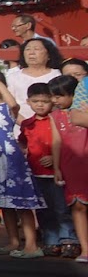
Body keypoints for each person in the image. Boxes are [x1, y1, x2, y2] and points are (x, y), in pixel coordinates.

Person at [0, 70, 42, 255]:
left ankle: (31, 244)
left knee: (22, 202)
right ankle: (13, 241)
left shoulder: (8, 107)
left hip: (10, 156)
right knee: (4, 204)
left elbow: (13, 104)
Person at [18, 83, 73, 257]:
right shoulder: (27, 124)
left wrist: (53, 158)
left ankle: (69, 240)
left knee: (61, 208)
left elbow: (65, 143)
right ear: (28, 102)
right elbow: (22, 142)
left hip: (56, 173)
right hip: (36, 173)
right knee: (43, 209)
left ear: (52, 101)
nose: (40, 105)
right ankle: (51, 240)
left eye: (44, 101)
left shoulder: (59, 120)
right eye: (36, 101)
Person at [50, 76, 88, 263]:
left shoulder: (83, 111)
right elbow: (56, 142)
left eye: (60, 96)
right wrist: (56, 167)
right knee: (77, 205)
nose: (55, 100)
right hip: (69, 163)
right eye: (53, 96)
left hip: (85, 160)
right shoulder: (55, 116)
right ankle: (85, 249)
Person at [6, 37, 62, 121]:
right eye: (27, 49)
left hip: (52, 124)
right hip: (21, 126)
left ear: (49, 55)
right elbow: (9, 105)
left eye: (37, 49)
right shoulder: (12, 77)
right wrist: (25, 125)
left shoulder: (57, 75)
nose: (31, 53)